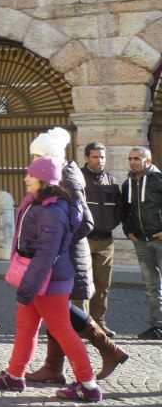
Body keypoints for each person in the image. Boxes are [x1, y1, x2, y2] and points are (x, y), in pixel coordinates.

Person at [0, 156, 102, 402]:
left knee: (62, 330)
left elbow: (46, 254)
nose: (26, 178)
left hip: (48, 282)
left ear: (43, 179)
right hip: (39, 279)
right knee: (26, 328)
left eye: (31, 175)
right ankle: (15, 376)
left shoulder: (51, 210)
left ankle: (88, 385)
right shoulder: (41, 205)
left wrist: (29, 287)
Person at [25, 128, 127, 383]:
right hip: (62, 255)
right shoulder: (61, 175)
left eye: (36, 155)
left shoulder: (68, 177)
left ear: (48, 156)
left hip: (68, 257)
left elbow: (85, 222)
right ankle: (54, 367)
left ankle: (107, 353)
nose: (33, 162)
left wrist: (56, 237)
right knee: (58, 312)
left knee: (62, 312)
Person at [79, 142, 122, 336]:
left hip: (106, 241)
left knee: (103, 284)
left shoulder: (111, 180)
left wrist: (113, 223)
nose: (100, 160)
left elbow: (119, 207)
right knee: (82, 284)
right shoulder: (77, 179)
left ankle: (99, 322)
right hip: (84, 240)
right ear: (87, 158)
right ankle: (80, 323)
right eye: (96, 157)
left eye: (102, 157)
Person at [120, 146, 162, 340]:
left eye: (137, 158)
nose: (133, 162)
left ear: (148, 161)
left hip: (160, 240)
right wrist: (128, 232)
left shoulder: (159, 180)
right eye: (130, 158)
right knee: (151, 287)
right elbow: (125, 211)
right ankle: (157, 327)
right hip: (141, 242)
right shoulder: (127, 184)